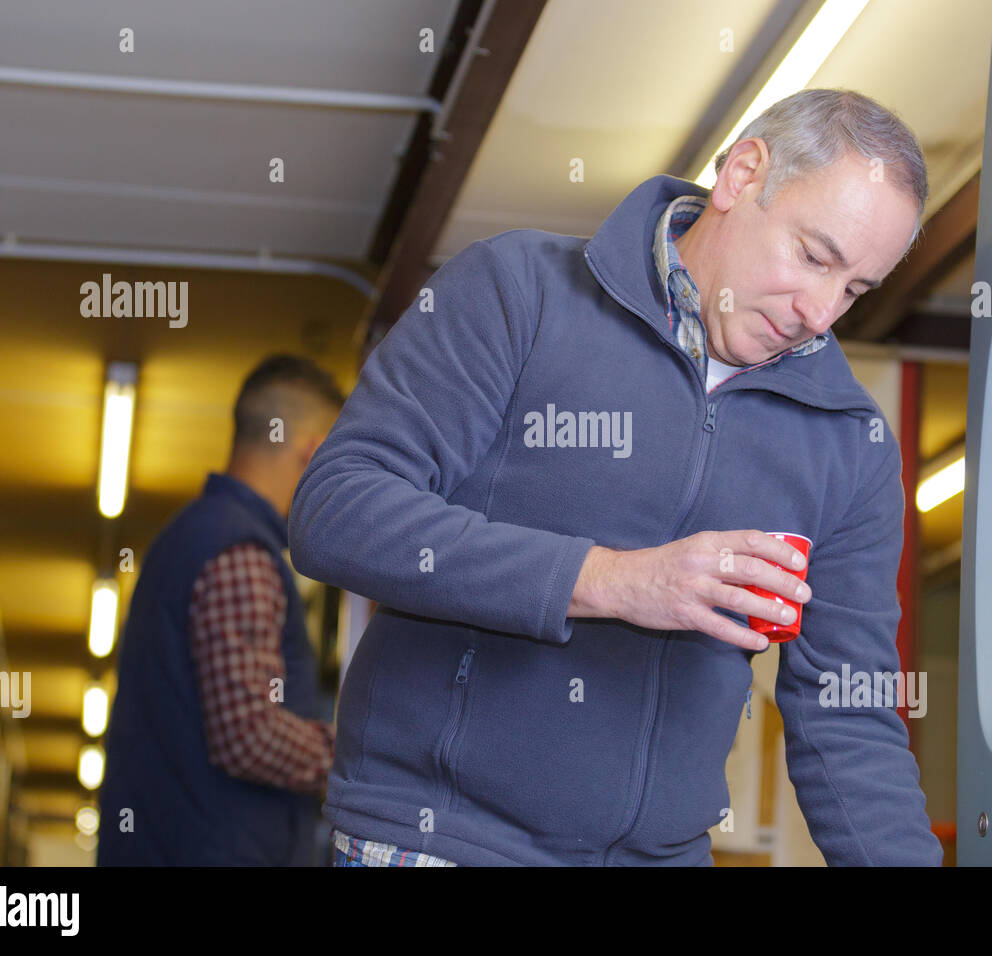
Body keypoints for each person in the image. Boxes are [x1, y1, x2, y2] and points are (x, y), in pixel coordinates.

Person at [290, 88, 943, 866]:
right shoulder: (518, 292)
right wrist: (609, 580)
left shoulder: (850, 442)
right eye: (814, 256)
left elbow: (849, 719)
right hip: (443, 840)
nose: (820, 311)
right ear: (741, 175)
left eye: (855, 290)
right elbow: (338, 509)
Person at [99, 354, 345, 865]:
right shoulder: (240, 553)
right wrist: (360, 756)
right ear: (314, 452)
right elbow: (247, 735)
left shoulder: (192, 536)